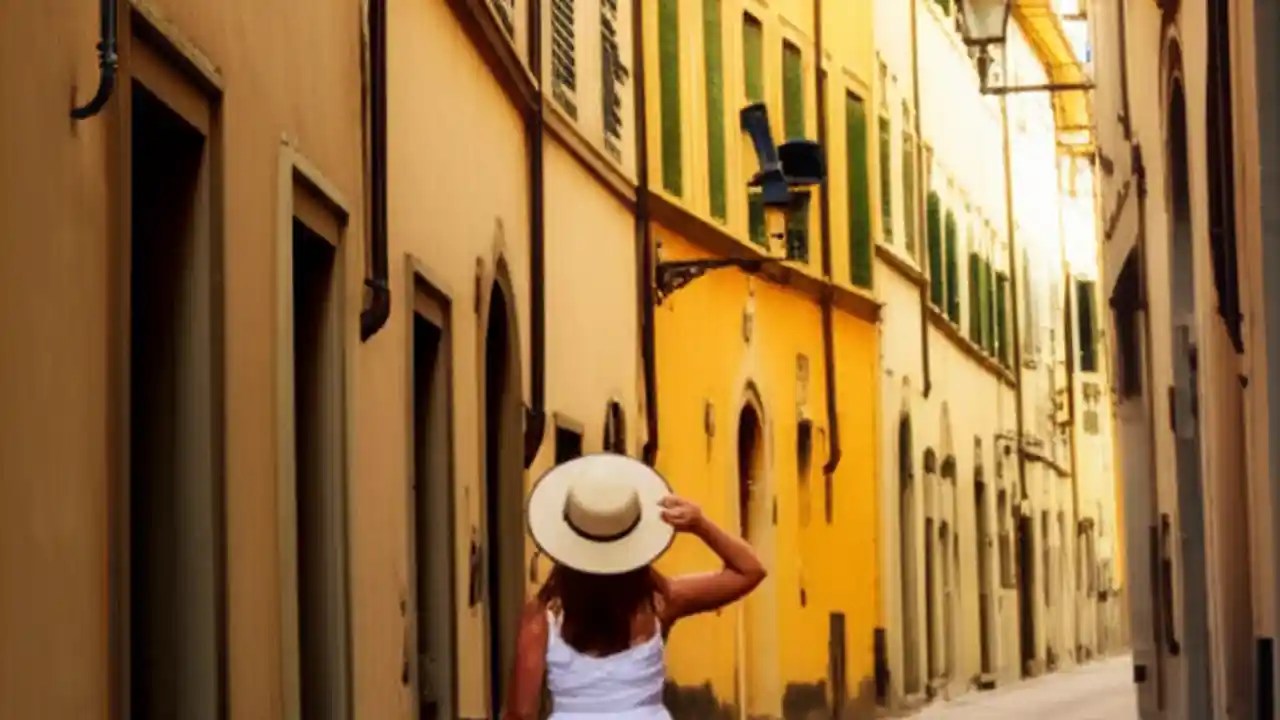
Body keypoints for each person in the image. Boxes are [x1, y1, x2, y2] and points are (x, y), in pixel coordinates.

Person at [504, 453, 766, 720]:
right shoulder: (660, 602)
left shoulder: (541, 616)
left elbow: (521, 714)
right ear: (634, 539)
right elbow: (750, 570)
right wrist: (700, 525)